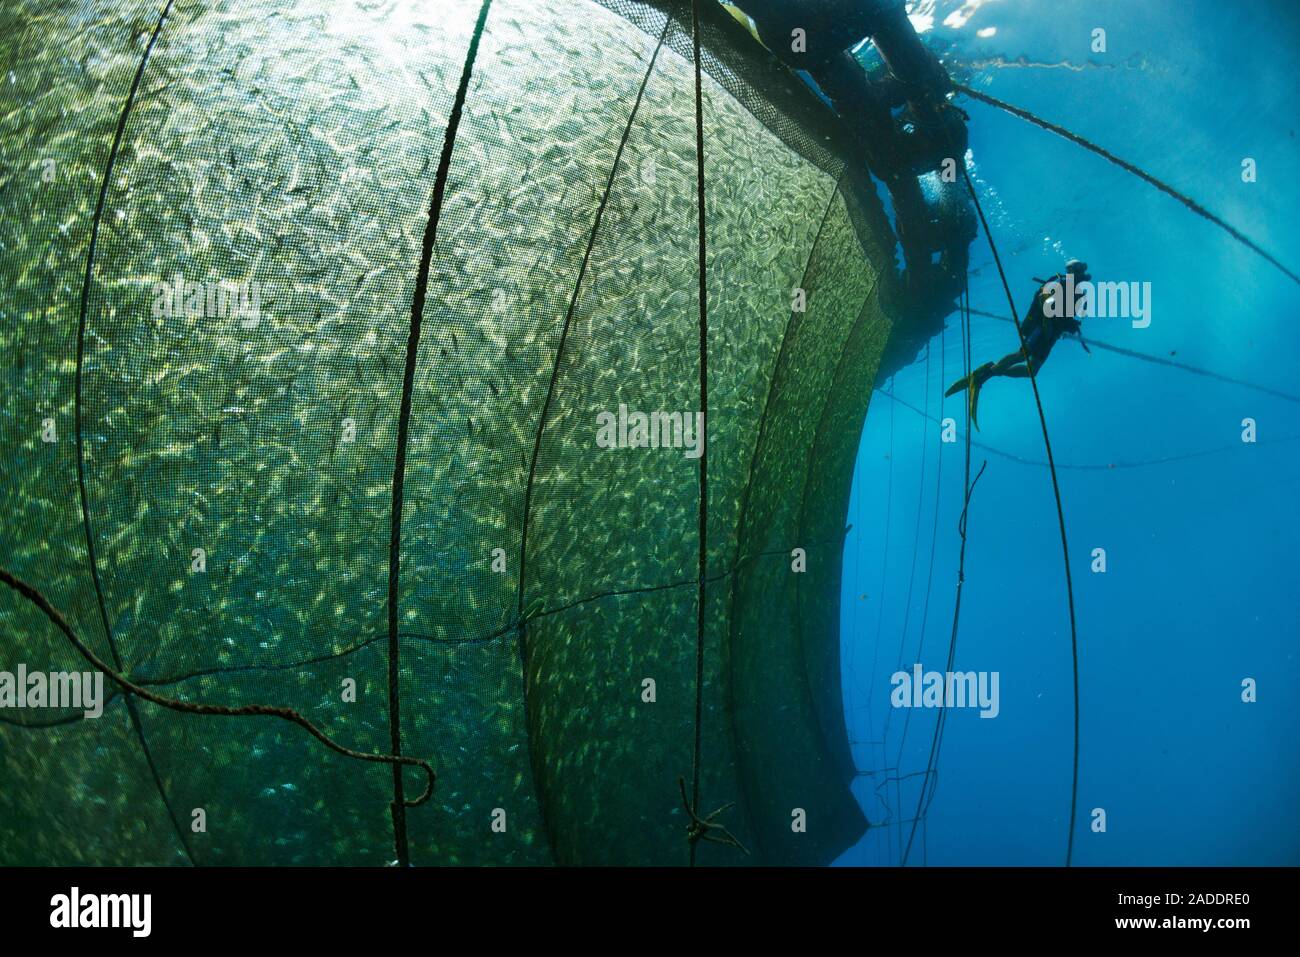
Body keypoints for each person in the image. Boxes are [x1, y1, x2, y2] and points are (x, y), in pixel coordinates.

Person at [946, 260, 1093, 429]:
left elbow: (1068, 314)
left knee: (1031, 371)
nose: (1079, 273)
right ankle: (983, 375)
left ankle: (988, 372)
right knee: (1021, 355)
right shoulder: (1061, 281)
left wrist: (1071, 325)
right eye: (1076, 270)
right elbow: (1043, 295)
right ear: (1071, 270)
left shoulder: (1079, 292)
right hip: (1041, 328)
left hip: (1051, 334)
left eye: (1080, 270)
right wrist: (1047, 319)